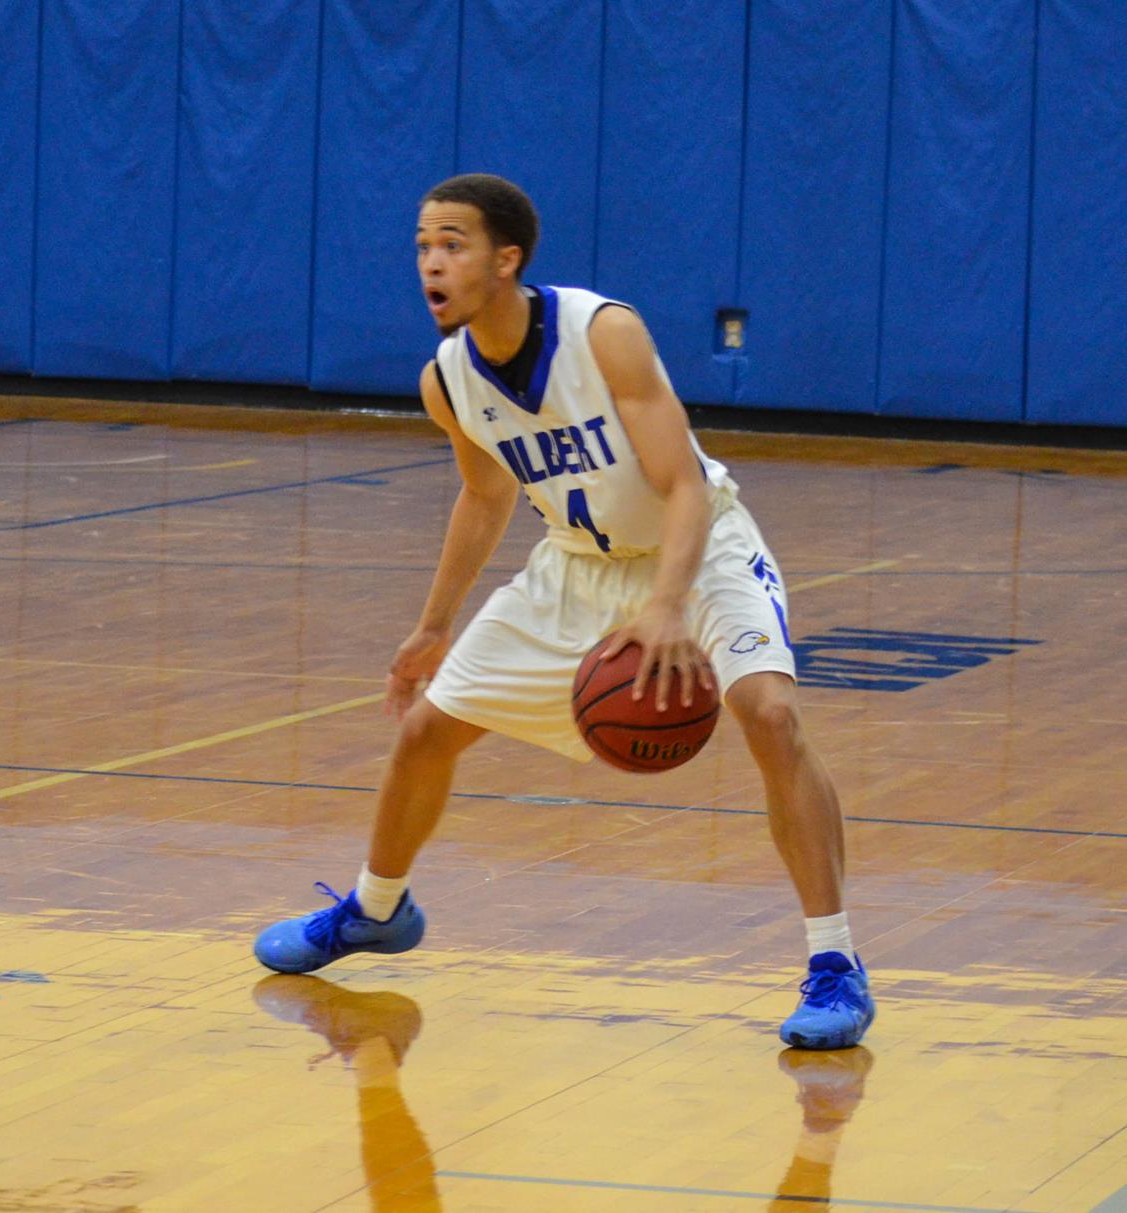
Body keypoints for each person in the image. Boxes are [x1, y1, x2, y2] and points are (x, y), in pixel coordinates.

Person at [252, 174, 874, 1050]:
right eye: (424, 244)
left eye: (453, 244)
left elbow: (685, 485)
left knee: (771, 716)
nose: (432, 261)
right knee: (426, 731)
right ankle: (377, 910)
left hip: (697, 551)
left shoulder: (602, 333)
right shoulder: (450, 379)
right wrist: (432, 626)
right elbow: (483, 496)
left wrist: (666, 607)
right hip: (576, 568)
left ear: (506, 260)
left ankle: (835, 964)